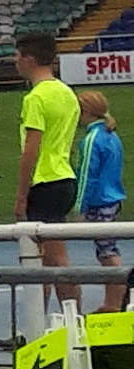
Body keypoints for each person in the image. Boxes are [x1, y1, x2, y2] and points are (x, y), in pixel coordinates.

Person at [15, 33, 81, 319]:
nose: (15, 62)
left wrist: (21, 195)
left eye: (18, 56)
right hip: (64, 175)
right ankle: (38, 322)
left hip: (45, 180)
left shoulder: (36, 98)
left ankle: (73, 321)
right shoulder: (67, 93)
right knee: (42, 259)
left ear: (29, 59)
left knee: (51, 258)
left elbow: (32, 149)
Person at [78, 86, 126, 316]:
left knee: (107, 251)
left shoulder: (92, 139)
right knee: (105, 249)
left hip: (100, 201)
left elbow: (87, 175)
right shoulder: (111, 135)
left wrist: (80, 206)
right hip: (112, 198)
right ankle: (112, 301)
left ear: (86, 112)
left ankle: (115, 302)